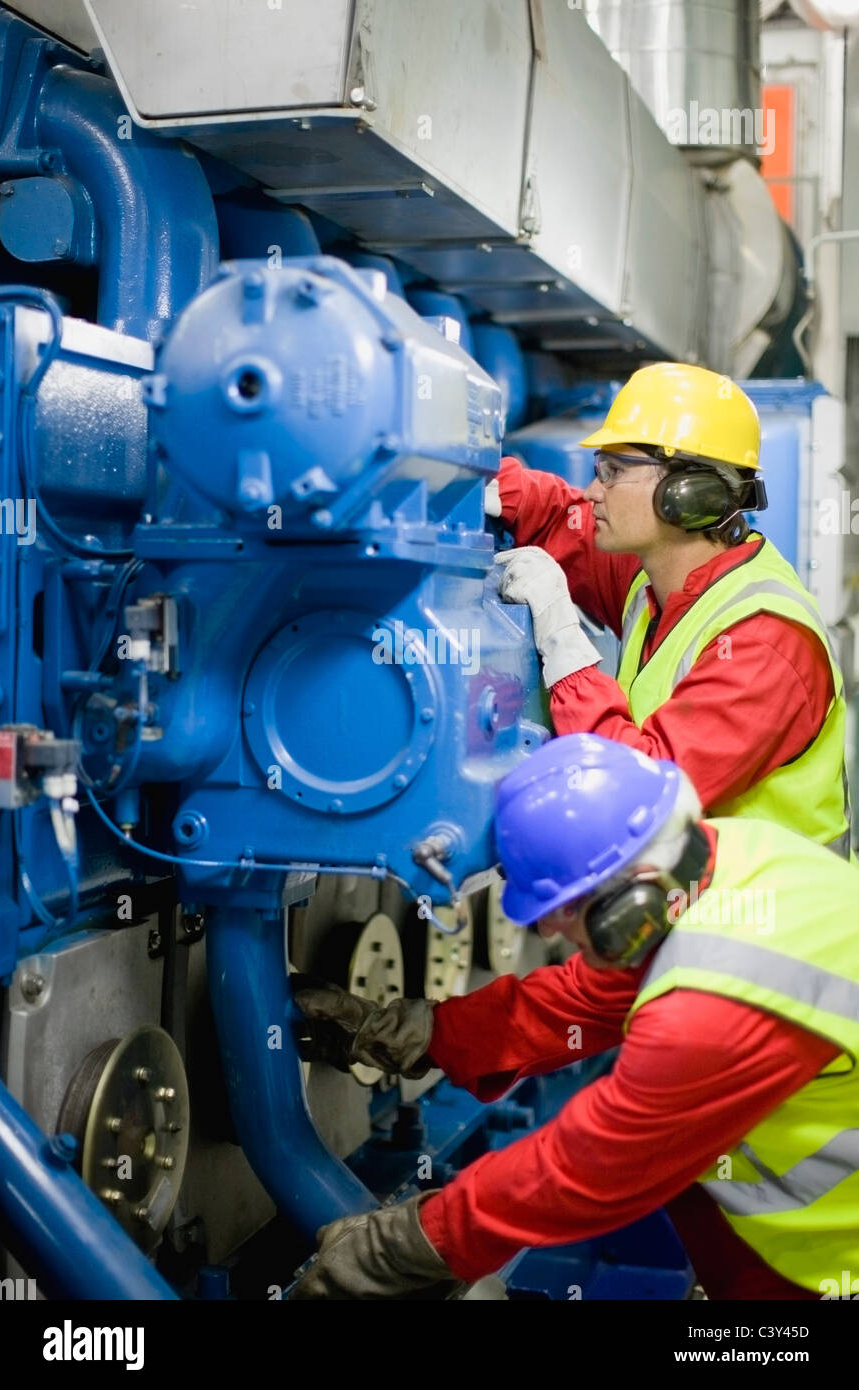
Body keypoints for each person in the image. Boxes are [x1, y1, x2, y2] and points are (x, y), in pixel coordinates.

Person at [291, 734, 859, 1301]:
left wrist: (399, 1249)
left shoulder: (716, 1001)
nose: (546, 932)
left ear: (627, 906)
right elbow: (577, 999)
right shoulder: (727, 856)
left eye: (563, 909)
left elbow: (587, 1168)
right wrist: (415, 1035)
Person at [489, 362, 851, 856]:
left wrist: (563, 645)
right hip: (692, 917)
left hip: (765, 926)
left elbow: (640, 795)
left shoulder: (766, 640)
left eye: (613, 472)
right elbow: (561, 517)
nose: (595, 491)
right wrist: (472, 478)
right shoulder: (655, 582)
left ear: (687, 495)